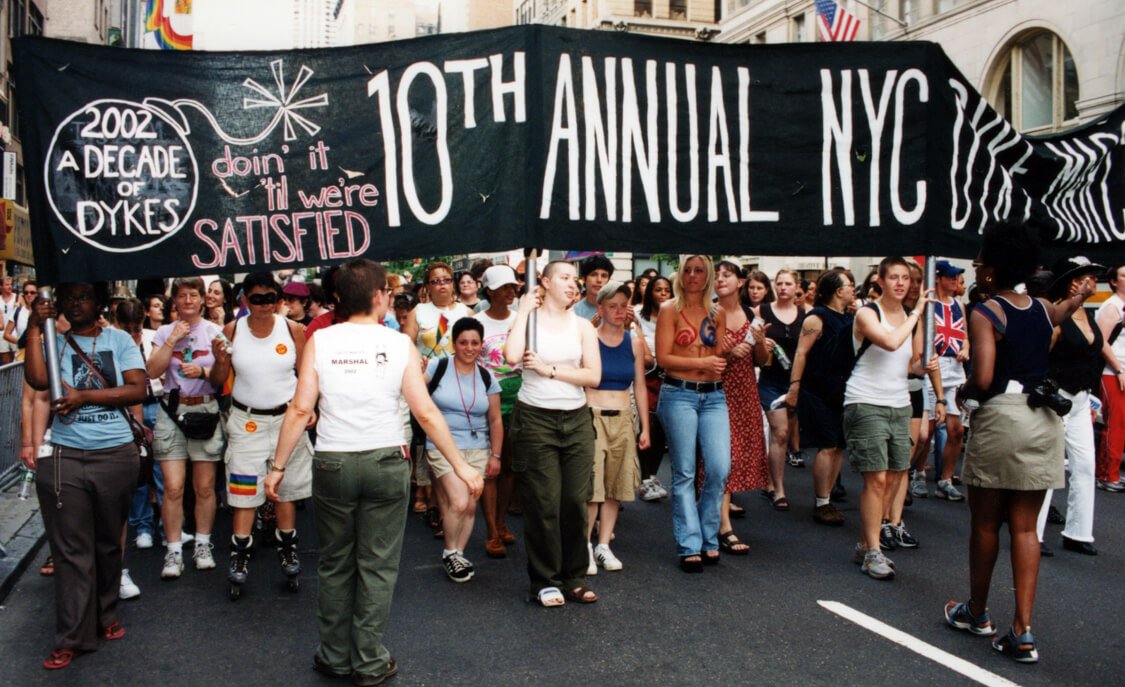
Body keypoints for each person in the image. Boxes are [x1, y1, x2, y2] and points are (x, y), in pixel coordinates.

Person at [266, 258, 482, 683]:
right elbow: (425, 411)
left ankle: (332, 653)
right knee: (378, 564)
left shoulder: (321, 341)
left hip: (333, 461)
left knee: (335, 562)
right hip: (385, 461)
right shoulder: (400, 344)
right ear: (380, 296)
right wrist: (461, 465)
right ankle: (367, 659)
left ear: (339, 299)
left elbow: (300, 409)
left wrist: (276, 467)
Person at [944, 221, 1093, 663]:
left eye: (980, 265)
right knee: (1027, 528)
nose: (976, 271)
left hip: (1003, 418)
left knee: (986, 524)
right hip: (1044, 420)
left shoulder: (986, 311)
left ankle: (977, 612)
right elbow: (1062, 310)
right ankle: (1022, 632)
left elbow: (985, 377)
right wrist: (1079, 295)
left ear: (992, 271)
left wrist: (962, 392)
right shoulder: (1044, 308)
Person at [23, 282, 146, 670]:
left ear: (100, 304)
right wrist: (32, 328)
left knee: (108, 543)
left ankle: (105, 615)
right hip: (66, 456)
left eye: (83, 297)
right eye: (68, 299)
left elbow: (137, 388)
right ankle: (72, 636)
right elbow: (39, 380)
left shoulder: (119, 340)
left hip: (115, 455)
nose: (75, 304)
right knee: (71, 551)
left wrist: (83, 397)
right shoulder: (53, 340)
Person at [504, 260, 601, 606]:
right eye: (564, 278)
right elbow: (511, 355)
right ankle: (545, 580)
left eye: (575, 280)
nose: (573, 284)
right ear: (543, 282)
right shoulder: (528, 321)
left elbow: (593, 376)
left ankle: (574, 577)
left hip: (575, 420)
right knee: (544, 503)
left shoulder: (583, 327)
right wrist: (522, 311)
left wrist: (550, 371)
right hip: (535, 420)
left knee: (575, 502)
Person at [846, 257, 942, 580]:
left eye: (907, 278)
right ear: (881, 282)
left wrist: (925, 365)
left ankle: (865, 541)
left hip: (900, 403)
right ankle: (874, 552)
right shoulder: (866, 313)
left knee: (899, 472)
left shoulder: (908, 317)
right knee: (877, 478)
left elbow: (911, 365)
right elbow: (889, 342)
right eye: (895, 278)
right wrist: (917, 314)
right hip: (866, 401)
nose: (902, 284)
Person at [220, 272, 313, 597]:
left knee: (284, 489)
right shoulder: (232, 330)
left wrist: (309, 407)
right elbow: (219, 377)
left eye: (271, 298)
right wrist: (219, 359)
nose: (264, 304)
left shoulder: (293, 330)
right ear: (245, 300)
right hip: (247, 422)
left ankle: (287, 548)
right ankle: (239, 556)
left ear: (280, 299)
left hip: (287, 420)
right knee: (245, 490)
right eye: (256, 298)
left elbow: (305, 375)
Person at [146, 277, 229, 580]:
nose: (188, 301)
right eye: (182, 296)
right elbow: (152, 371)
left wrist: (208, 368)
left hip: (205, 408)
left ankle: (203, 545)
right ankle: (173, 550)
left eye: (194, 295)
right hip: (172, 409)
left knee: (205, 487)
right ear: (175, 301)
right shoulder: (165, 331)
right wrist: (171, 340)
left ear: (203, 298)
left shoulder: (215, 331)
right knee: (172, 486)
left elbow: (221, 378)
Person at [655, 255, 730, 573]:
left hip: (714, 397)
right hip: (678, 394)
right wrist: (702, 364)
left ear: (709, 274)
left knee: (719, 468)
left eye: (699, 270)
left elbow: (716, 358)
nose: (693, 275)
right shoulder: (669, 309)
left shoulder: (718, 311)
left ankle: (708, 535)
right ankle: (690, 544)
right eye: (687, 270)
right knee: (684, 472)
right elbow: (663, 358)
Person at [1036, 257, 1108, 556]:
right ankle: (1033, 534)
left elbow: (1094, 358)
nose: (1091, 281)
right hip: (1057, 398)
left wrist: (1092, 398)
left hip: (1080, 400)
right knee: (1049, 467)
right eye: (1085, 276)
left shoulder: (1087, 316)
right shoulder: (1057, 316)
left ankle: (1078, 533)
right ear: (1071, 282)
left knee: (1085, 465)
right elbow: (1039, 358)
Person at [424, 318, 502, 581]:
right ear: (453, 343)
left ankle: (458, 553)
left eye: (475, 343)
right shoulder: (438, 366)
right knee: (458, 500)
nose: (469, 348)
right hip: (442, 446)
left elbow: (495, 420)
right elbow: (413, 391)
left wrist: (496, 454)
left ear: (481, 345)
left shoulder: (486, 375)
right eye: (463, 342)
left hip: (478, 447)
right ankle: (450, 552)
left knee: (470, 505)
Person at [585, 282, 650, 572]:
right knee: (592, 487)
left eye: (624, 305)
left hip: (624, 417)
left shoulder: (633, 342)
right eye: (613, 305)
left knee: (615, 486)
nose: (619, 311)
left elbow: (640, 385)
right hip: (592, 416)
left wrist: (644, 427)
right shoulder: (588, 338)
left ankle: (603, 545)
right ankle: (584, 545)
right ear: (601, 308)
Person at [785, 268, 856, 526]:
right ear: (838, 291)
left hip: (843, 390)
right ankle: (821, 502)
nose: (853, 289)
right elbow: (801, 354)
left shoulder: (850, 317)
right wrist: (794, 388)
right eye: (849, 285)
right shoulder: (817, 317)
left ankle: (827, 497)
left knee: (838, 445)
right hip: (818, 389)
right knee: (827, 445)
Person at [403, 262, 473, 519]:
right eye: (436, 281)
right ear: (427, 286)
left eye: (446, 279)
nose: (442, 284)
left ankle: (452, 499)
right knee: (432, 445)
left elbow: (474, 347)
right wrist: (415, 366)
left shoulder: (466, 311)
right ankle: (434, 500)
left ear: (453, 284)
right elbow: (406, 345)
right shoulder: (419, 312)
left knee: (456, 441)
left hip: (460, 386)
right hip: (429, 388)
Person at [713, 261, 767, 553]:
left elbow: (761, 360)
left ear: (741, 281)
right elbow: (702, 355)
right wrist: (728, 352)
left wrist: (759, 344)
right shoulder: (708, 313)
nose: (720, 279)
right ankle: (723, 527)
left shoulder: (751, 314)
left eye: (727, 275)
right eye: (717, 275)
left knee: (734, 457)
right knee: (719, 458)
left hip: (745, 391)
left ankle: (718, 520)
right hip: (715, 391)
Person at [473, 265, 522, 558]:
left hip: (521, 396)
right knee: (491, 467)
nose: (510, 291)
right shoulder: (476, 321)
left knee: (510, 467)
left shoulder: (523, 319)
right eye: (503, 287)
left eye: (512, 286)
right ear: (489, 291)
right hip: (489, 398)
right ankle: (491, 531)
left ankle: (501, 521)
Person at [752, 269, 806, 510]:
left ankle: (770, 481)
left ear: (797, 288)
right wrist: (762, 341)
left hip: (796, 381)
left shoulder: (805, 316)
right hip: (770, 380)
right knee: (780, 432)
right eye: (779, 283)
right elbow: (749, 340)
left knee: (786, 434)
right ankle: (778, 489)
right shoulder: (761, 311)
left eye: (788, 283)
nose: (783, 287)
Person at [920, 260, 972, 501]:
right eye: (950, 277)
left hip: (955, 368)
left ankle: (945, 479)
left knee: (956, 429)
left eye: (957, 277)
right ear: (938, 278)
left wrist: (965, 347)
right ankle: (918, 473)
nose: (955, 281)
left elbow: (965, 335)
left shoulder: (959, 304)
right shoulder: (929, 303)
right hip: (934, 365)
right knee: (928, 428)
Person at [635, 276, 672, 500]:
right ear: (650, 292)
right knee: (646, 427)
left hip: (669, 376)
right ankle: (644, 478)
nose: (662, 293)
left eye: (667, 290)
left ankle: (652, 477)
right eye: (658, 289)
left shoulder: (674, 315)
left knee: (660, 431)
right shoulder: (639, 315)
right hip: (645, 376)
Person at [1095, 263, 1125, 491]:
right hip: (1112, 373)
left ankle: (1110, 471)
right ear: (1114, 281)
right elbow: (1101, 342)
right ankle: (1107, 475)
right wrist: (1118, 369)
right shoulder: (1112, 306)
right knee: (1114, 424)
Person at [572, 254, 614, 322]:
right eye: (593, 275)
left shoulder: (617, 310)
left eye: (604, 276)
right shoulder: (573, 312)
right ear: (583, 279)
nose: (599, 280)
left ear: (608, 280)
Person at [3, 279, 38, 358]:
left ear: (37, 294)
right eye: (26, 293)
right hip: (21, 356)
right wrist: (20, 342)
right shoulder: (18, 311)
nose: (29, 295)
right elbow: (6, 334)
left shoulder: (43, 313)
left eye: (32, 292)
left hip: (40, 356)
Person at [0, 276, 19, 364]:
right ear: (1, 287)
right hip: (2, 333)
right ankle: (8, 378)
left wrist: (19, 306)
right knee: (5, 360)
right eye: (7, 285)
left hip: (14, 332)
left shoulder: (17, 298)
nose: (10, 286)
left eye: (10, 284)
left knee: (17, 357)